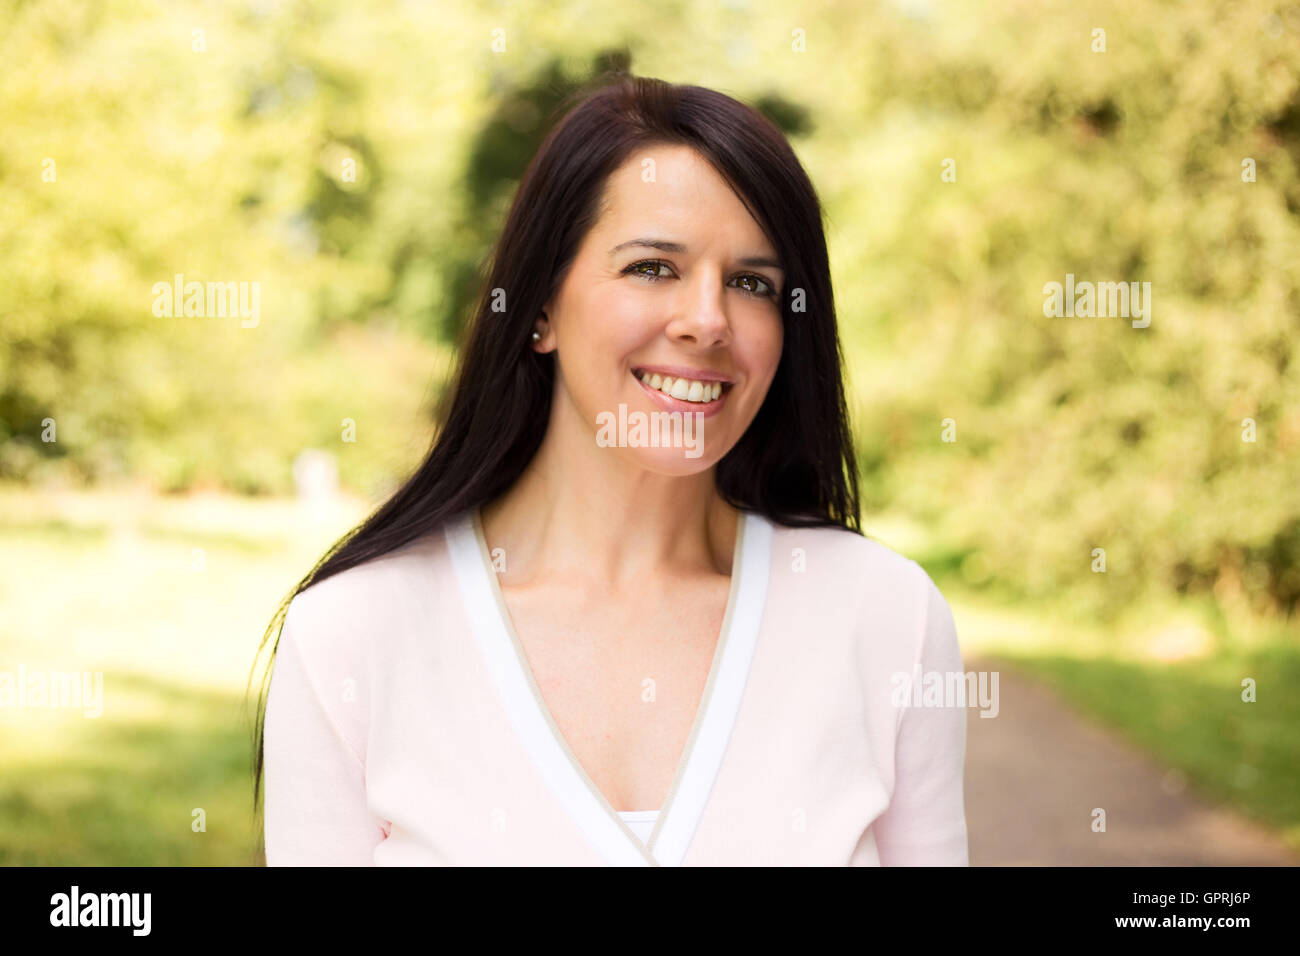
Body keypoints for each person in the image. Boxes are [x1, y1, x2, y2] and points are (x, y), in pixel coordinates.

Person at [252, 74, 968, 866]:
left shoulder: (885, 619)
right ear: (540, 308)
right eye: (653, 267)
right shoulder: (351, 640)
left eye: (752, 283)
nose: (708, 320)